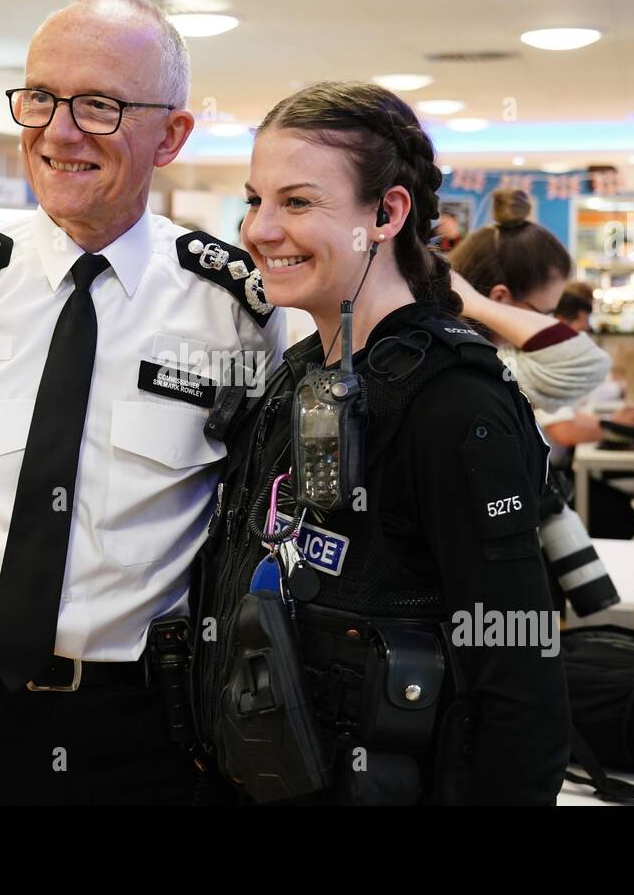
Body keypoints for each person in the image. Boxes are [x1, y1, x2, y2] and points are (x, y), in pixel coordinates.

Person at [0, 0, 286, 806]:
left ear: (171, 136)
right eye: (41, 98)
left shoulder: (233, 308)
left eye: (99, 105)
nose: (58, 132)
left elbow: (246, 520)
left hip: (144, 725)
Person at [191, 81, 569, 805]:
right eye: (255, 200)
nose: (259, 229)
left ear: (387, 214)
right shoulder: (298, 376)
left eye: (297, 202)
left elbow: (520, 683)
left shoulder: (452, 403)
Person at [450, 199, 634, 538]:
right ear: (500, 299)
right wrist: (477, 304)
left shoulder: (483, 359)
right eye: (546, 313)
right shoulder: (481, 365)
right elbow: (589, 364)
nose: (551, 323)